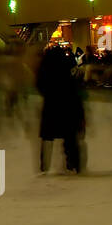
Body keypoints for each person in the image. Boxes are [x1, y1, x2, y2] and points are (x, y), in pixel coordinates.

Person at [36, 45, 85, 174]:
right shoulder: (66, 68)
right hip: (68, 105)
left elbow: (40, 85)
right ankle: (73, 164)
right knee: (70, 136)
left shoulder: (45, 69)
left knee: (47, 137)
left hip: (51, 106)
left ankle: (44, 166)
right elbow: (75, 88)